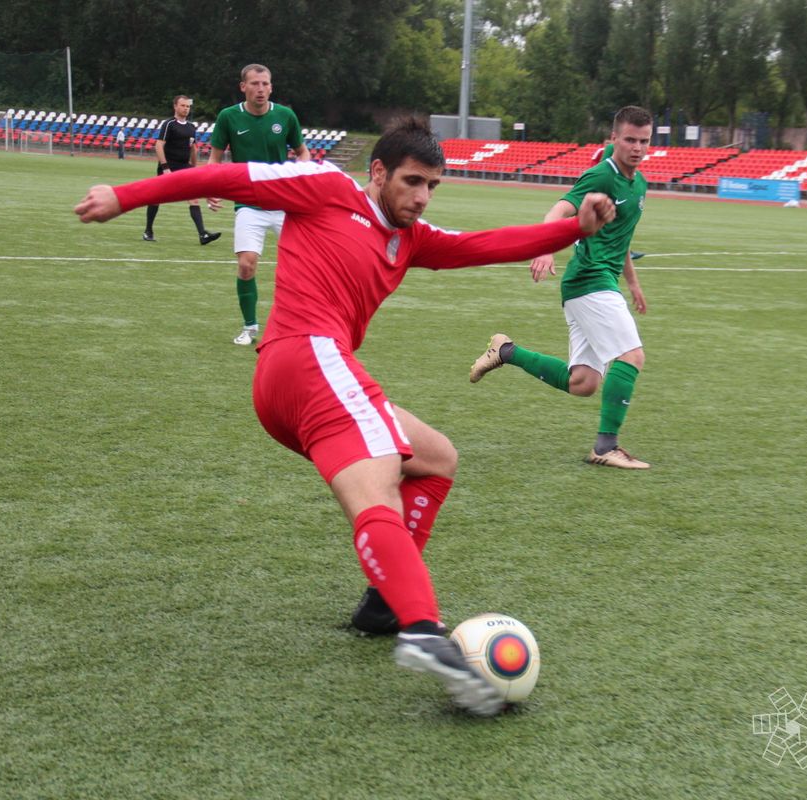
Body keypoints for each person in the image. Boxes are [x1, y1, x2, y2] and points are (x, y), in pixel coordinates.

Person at [74, 117, 617, 716]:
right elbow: (227, 176)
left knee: (436, 457)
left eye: (433, 185)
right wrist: (126, 195)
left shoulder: (411, 237)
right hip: (306, 357)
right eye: (413, 181)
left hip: (301, 380)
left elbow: (482, 245)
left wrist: (573, 228)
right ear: (378, 172)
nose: (422, 196)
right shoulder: (327, 187)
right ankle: (422, 630)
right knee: (378, 484)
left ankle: (385, 605)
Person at [469, 106, 653, 470]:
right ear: (613, 139)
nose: (636, 147)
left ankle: (506, 351)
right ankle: (606, 446)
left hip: (596, 283)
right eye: (629, 139)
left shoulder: (639, 184)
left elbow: (622, 238)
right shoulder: (601, 175)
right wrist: (546, 249)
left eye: (644, 141)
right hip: (590, 281)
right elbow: (556, 213)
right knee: (632, 356)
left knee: (582, 383)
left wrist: (632, 281)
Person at [209, 64, 311, 345]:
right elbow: (215, 159)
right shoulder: (229, 117)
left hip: (284, 204)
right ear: (243, 87)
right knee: (246, 265)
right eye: (254, 84)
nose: (260, 89)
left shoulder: (285, 116)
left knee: (305, 266)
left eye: (265, 84)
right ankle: (250, 327)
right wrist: (211, 187)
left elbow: (302, 152)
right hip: (248, 204)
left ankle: (305, 325)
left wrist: (303, 174)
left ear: (271, 87)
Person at [142, 95, 221, 245]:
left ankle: (202, 234)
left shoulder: (191, 127)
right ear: (175, 107)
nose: (186, 108)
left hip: (184, 167)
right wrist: (165, 167)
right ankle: (148, 231)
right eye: (183, 105)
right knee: (155, 198)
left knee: (193, 197)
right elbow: (159, 146)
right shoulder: (169, 124)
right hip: (168, 167)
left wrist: (194, 168)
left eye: (188, 106)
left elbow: (193, 148)